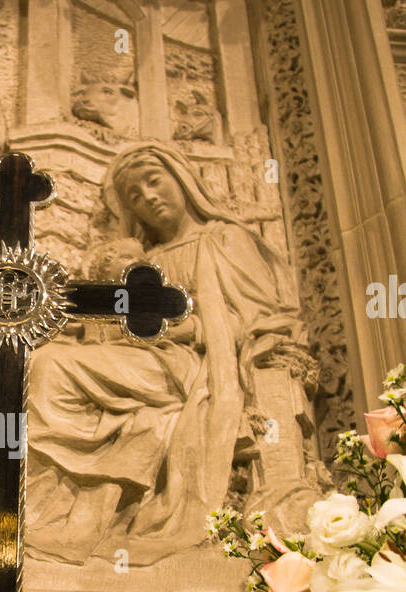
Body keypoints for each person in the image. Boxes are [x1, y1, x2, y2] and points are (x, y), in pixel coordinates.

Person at [24, 141, 309, 564]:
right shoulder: (144, 260)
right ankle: (49, 510)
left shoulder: (224, 238)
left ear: (183, 179)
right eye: (135, 196)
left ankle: (66, 514)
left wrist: (185, 331)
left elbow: (259, 320)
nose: (148, 198)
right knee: (46, 364)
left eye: (154, 182)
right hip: (142, 359)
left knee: (53, 365)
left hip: (196, 365)